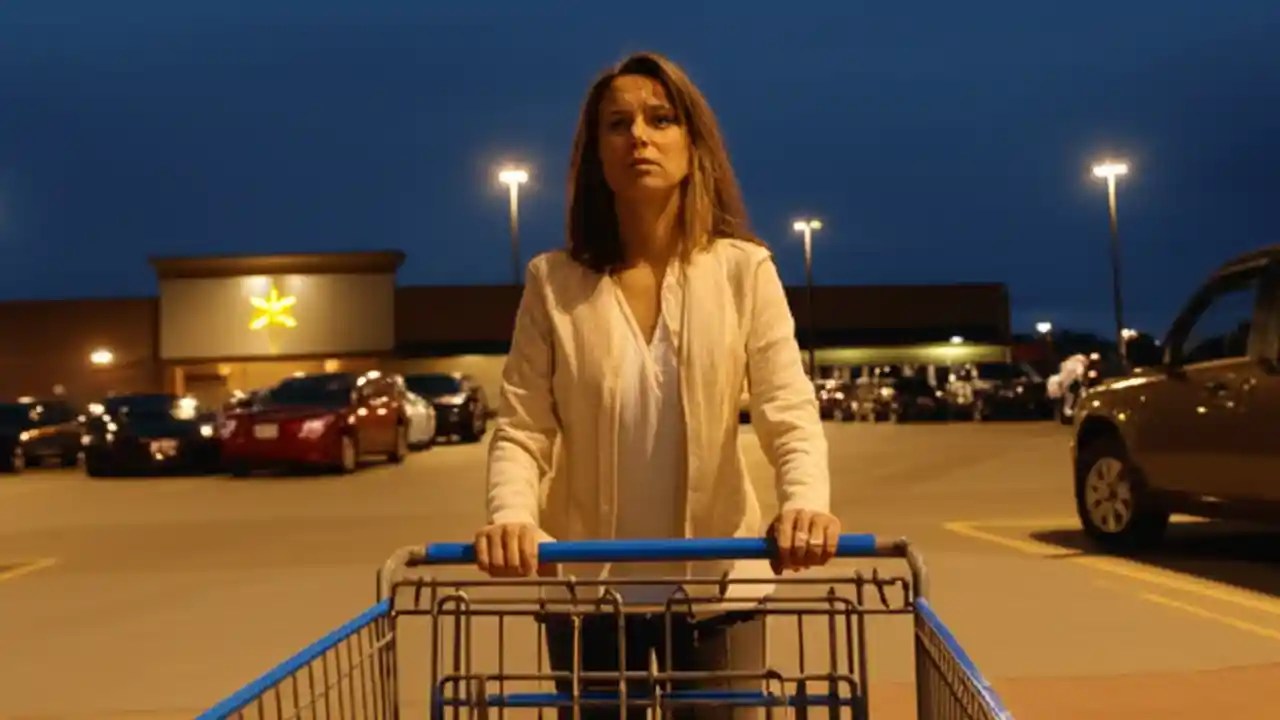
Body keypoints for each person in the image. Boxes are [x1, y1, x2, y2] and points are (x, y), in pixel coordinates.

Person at [474, 51, 838, 720]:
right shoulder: (553, 283)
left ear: (694, 145)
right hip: (588, 599)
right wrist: (512, 518)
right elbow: (523, 429)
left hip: (718, 592)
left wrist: (805, 505)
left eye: (660, 119)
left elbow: (787, 410)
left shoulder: (744, 271)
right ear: (596, 154)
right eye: (618, 124)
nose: (638, 136)